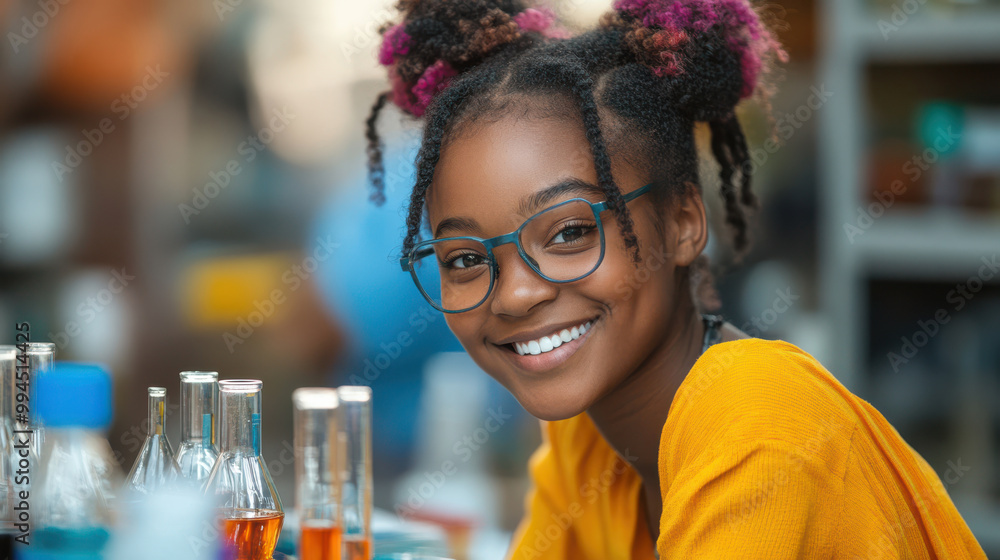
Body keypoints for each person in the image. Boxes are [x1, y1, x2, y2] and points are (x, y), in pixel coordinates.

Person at [364, 0, 988, 558]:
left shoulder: (755, 412)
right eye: (465, 259)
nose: (517, 292)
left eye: (569, 233)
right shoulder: (588, 441)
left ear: (684, 222)